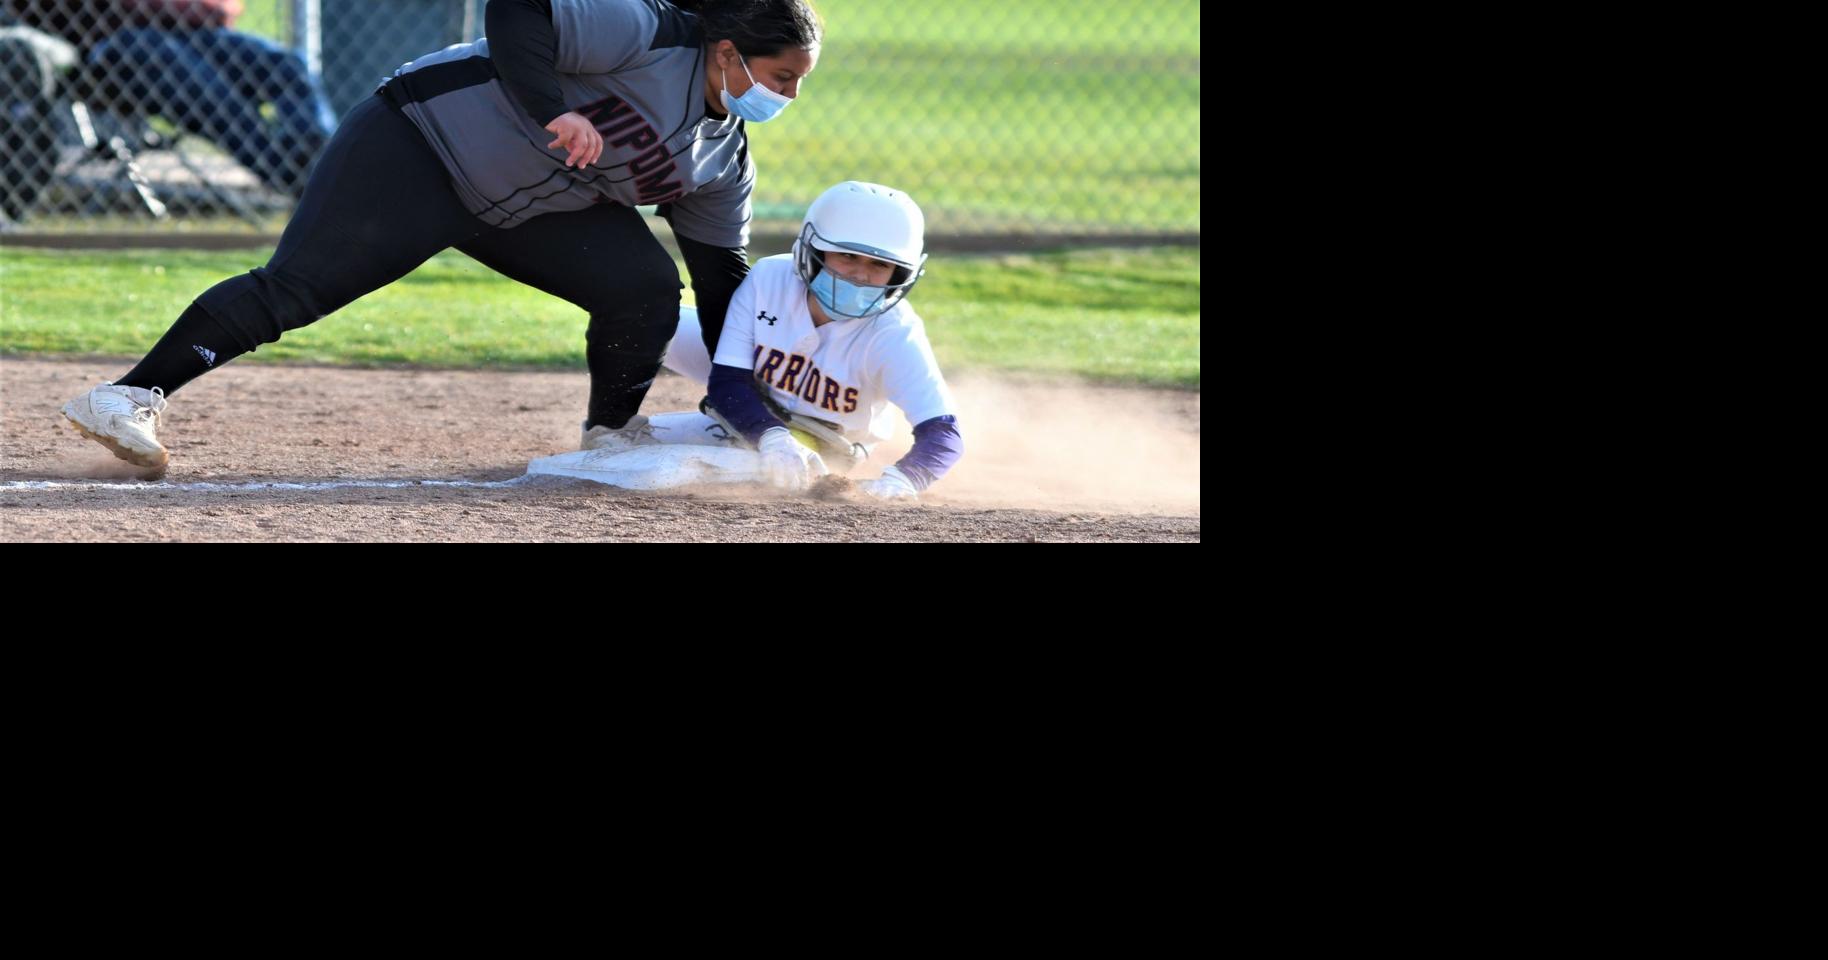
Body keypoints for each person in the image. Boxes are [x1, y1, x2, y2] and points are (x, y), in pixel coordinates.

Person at [61, 0, 822, 472]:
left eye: (798, 83)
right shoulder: (654, 31)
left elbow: (722, 285)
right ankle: (124, 396)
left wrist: (753, 401)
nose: (788, 95)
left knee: (647, 288)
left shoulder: (722, 160)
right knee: (297, 290)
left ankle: (609, 437)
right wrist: (556, 109)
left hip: (523, 207)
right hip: (418, 144)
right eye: (783, 76)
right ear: (729, 52)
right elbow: (519, 9)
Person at [645, 181, 962, 500]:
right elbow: (728, 382)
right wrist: (770, 435)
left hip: (824, 440)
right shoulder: (770, 278)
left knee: (662, 459)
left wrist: (905, 479)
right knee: (650, 318)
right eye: (848, 255)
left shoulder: (895, 332)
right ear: (813, 250)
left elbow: (943, 433)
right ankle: (617, 407)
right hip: (757, 399)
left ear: (900, 274)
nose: (860, 275)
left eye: (880, 264)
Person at [5, 0, 337, 197]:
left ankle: (319, 156)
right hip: (106, 49)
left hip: (190, 34)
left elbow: (223, 8)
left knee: (286, 65)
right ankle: (308, 185)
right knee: (208, 89)